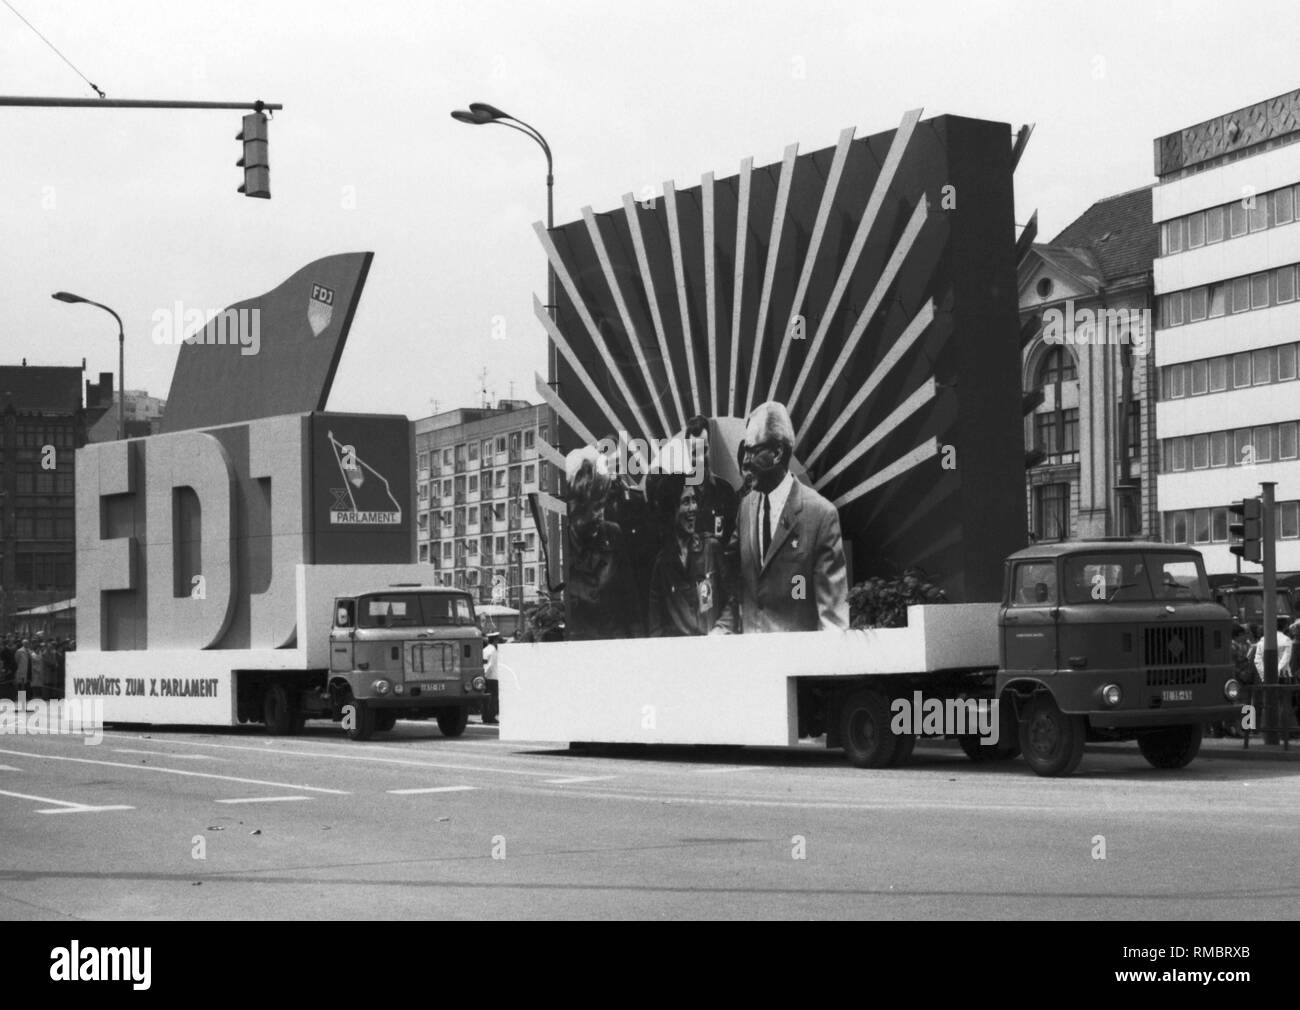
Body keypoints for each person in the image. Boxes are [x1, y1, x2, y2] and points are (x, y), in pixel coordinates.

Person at [713, 401, 849, 634]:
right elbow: (737, 588)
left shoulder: (821, 516)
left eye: (752, 451)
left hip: (796, 664)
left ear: (777, 453)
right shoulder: (746, 507)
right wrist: (720, 632)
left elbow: (833, 621)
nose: (744, 461)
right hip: (753, 664)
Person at [563, 447, 645, 641]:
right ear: (575, 507)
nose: (599, 515)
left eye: (602, 505)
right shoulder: (561, 546)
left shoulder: (613, 534)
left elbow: (632, 608)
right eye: (593, 508)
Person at [647, 476, 732, 636]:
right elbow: (655, 626)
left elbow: (732, 600)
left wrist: (721, 628)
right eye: (685, 502)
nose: (693, 507)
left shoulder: (711, 548)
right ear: (671, 509)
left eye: (694, 500)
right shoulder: (663, 564)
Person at [682, 415, 740, 545]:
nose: (701, 458)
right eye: (695, 452)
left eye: (704, 450)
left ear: (710, 448)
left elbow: (734, 543)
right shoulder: (679, 493)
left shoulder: (726, 491)